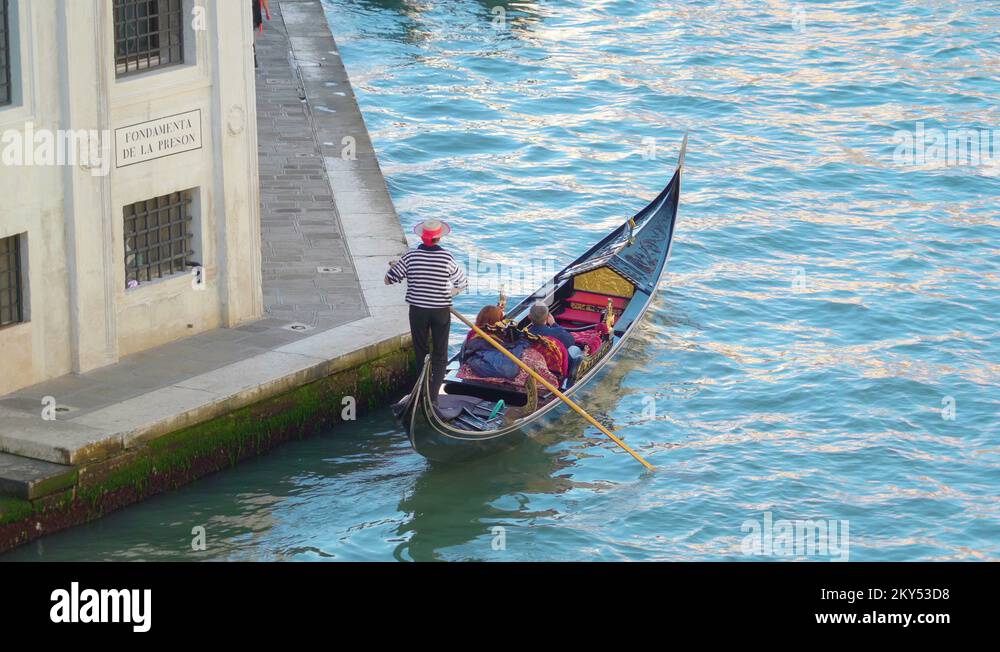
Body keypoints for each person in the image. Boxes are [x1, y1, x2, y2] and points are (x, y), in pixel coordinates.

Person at [385, 220, 467, 401]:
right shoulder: (447, 258)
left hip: (418, 311)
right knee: (440, 354)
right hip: (440, 311)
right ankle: (433, 397)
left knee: (421, 351)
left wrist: (396, 267)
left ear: (422, 237)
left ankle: (422, 392)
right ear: (439, 238)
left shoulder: (410, 256)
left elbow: (388, 279)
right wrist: (446, 295)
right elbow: (462, 284)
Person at [459, 305, 528, 379]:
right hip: (484, 361)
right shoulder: (490, 338)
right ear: (496, 321)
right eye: (501, 319)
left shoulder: (473, 331)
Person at [525, 302, 584, 377]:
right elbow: (571, 341)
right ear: (547, 317)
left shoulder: (524, 334)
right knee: (574, 348)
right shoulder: (557, 332)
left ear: (529, 316)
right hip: (555, 372)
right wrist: (554, 324)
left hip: (533, 369)